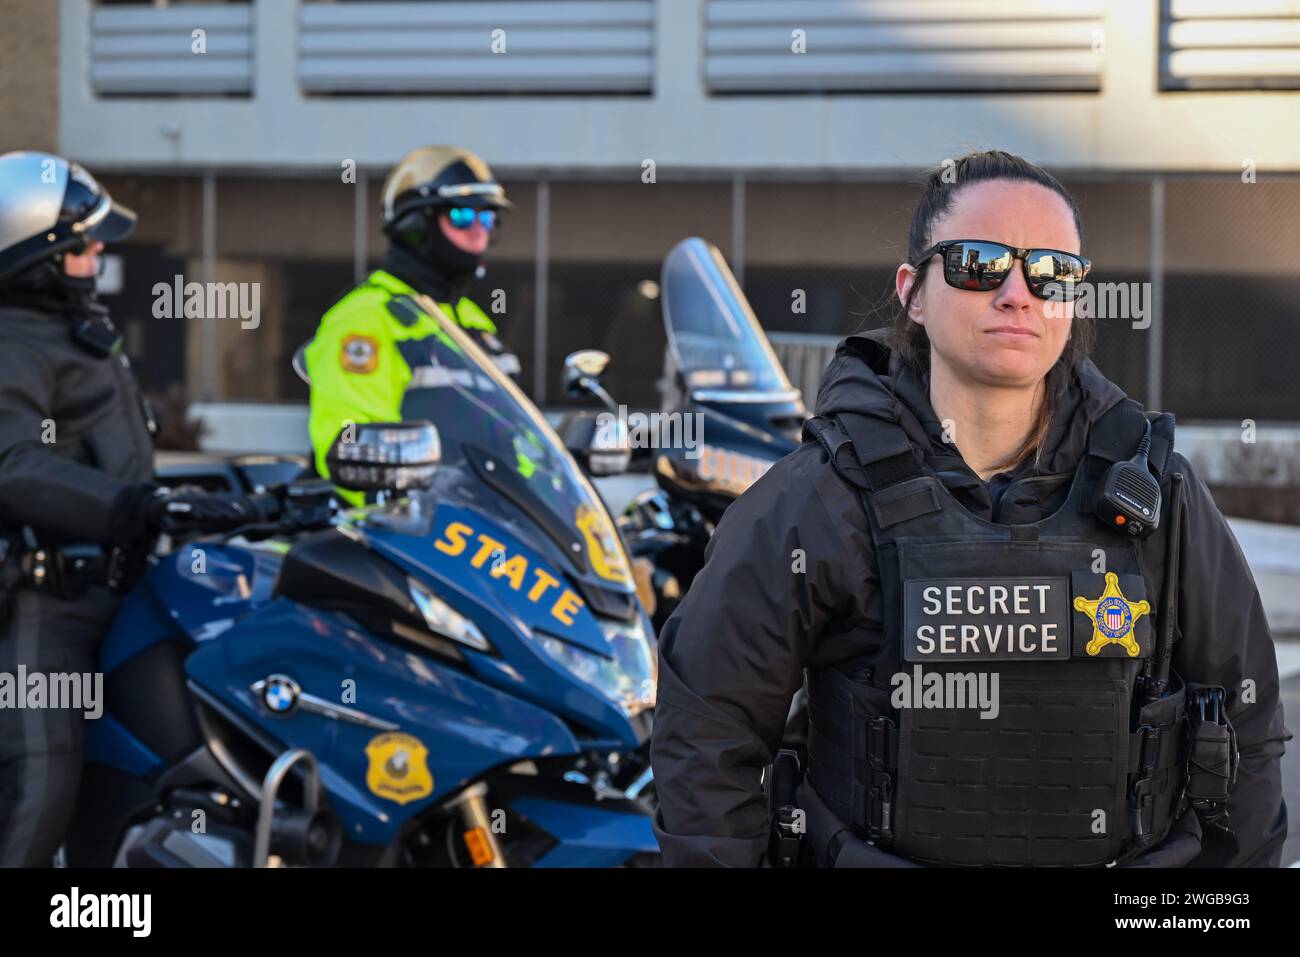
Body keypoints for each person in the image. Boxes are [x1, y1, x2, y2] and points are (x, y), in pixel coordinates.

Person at [649, 149, 1292, 868]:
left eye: (1051, 270)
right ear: (913, 293)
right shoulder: (819, 496)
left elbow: (1247, 733)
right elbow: (707, 731)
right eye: (978, 263)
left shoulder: (1158, 493)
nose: (1017, 292)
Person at [0, 151, 270, 866]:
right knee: (37, 792)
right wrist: (137, 507)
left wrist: (253, 497)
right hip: (41, 609)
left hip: (117, 595)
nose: (99, 257)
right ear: (44, 255)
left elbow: (123, 468)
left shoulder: (74, 336)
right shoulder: (10, 343)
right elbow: (14, 468)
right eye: (86, 245)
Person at [305, 145, 517, 497]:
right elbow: (350, 448)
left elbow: (511, 439)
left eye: (488, 218)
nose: (478, 230)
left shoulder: (474, 322)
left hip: (484, 529)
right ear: (416, 223)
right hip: (406, 533)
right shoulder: (367, 318)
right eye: (463, 216)